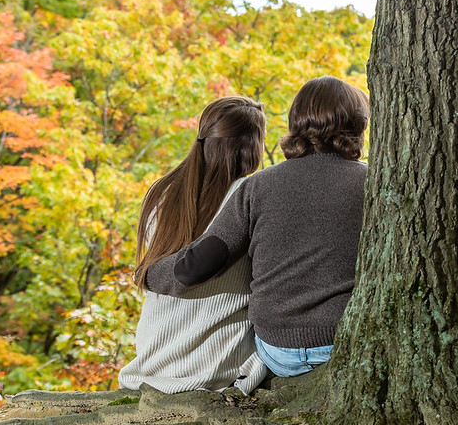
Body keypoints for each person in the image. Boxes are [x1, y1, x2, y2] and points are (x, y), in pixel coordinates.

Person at [145, 76, 369, 377]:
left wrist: (148, 274)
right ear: (358, 125)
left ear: (296, 121)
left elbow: (197, 265)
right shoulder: (375, 183)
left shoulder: (258, 186)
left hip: (279, 351)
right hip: (346, 340)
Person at [118, 96, 269, 394]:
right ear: (251, 146)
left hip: (154, 357)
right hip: (214, 365)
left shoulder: (161, 192)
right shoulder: (248, 196)